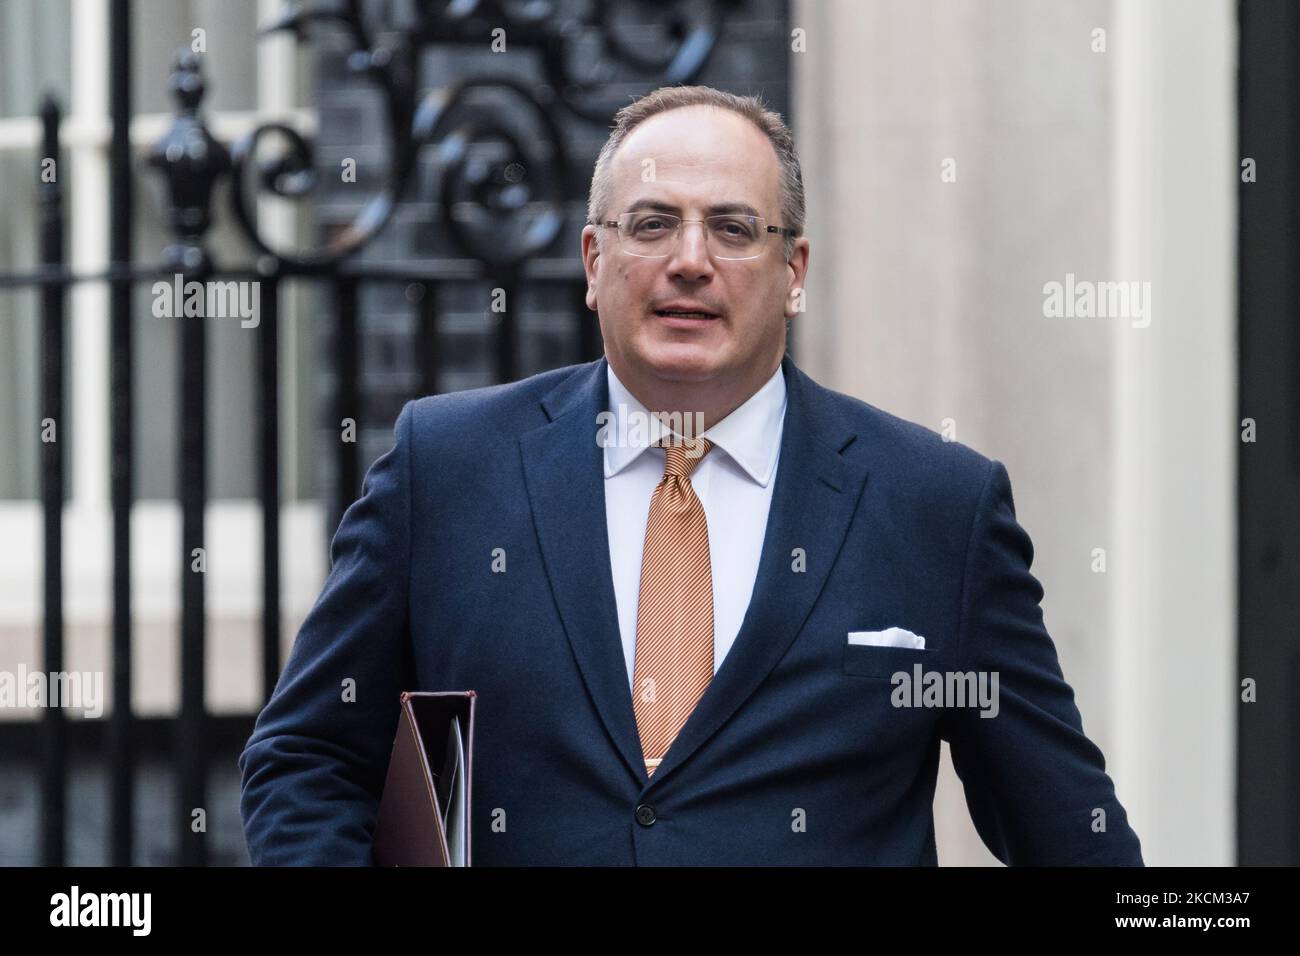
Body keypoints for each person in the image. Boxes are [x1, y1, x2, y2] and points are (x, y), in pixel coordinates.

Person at [239, 85, 1143, 866]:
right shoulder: (449, 469)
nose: (689, 260)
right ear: (595, 263)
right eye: (653, 222)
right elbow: (308, 757)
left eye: (734, 229)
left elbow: (1068, 827)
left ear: (794, 272)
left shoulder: (937, 506)